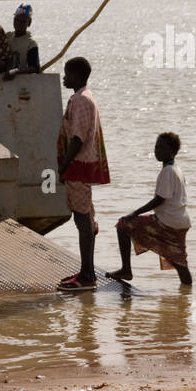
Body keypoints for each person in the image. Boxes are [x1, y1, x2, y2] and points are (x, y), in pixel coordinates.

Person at [56, 57, 110, 291]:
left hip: (78, 165)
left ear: (77, 75)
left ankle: (87, 276)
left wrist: (63, 165)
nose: (64, 77)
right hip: (81, 166)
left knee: (82, 220)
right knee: (85, 217)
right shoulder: (85, 97)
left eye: (67, 74)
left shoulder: (80, 100)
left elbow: (77, 138)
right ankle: (86, 271)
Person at [109, 133, 192, 285]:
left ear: (172, 151)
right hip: (181, 222)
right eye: (156, 147)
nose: (157, 150)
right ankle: (187, 293)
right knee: (180, 262)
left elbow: (159, 200)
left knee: (123, 225)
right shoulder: (176, 169)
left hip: (167, 221)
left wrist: (135, 213)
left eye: (162, 147)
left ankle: (126, 269)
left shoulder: (168, 171)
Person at [5, 3, 41, 78]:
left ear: (29, 23)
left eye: (23, 21)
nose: (19, 23)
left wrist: (16, 71)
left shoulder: (31, 43)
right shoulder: (7, 37)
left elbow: (35, 68)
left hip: (21, 81)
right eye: (17, 19)